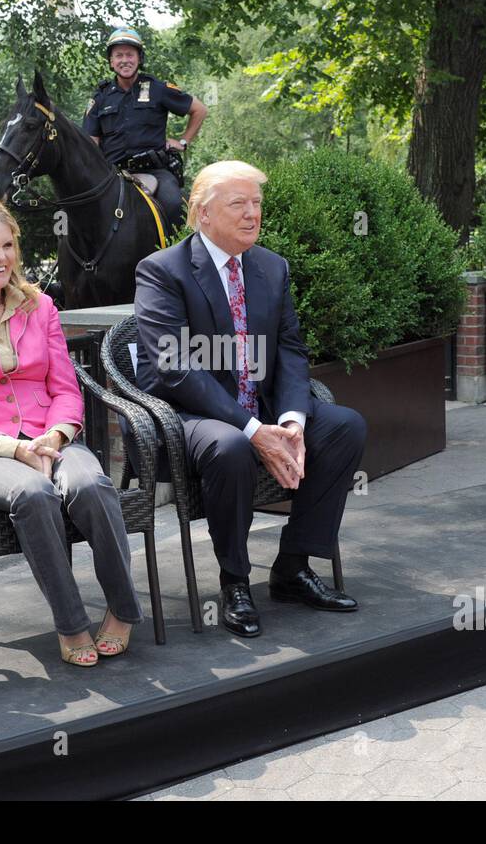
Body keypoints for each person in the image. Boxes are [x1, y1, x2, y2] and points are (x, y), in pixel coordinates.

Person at [133, 160, 367, 638]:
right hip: (186, 413)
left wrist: (293, 421)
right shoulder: (162, 271)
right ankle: (235, 580)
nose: (252, 214)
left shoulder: (271, 267)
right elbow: (176, 367)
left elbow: (289, 350)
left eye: (256, 203)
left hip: (257, 408)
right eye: (238, 203)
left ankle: (292, 567)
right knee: (233, 445)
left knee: (344, 426)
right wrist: (254, 429)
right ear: (202, 214)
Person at [0, 197, 142, 667]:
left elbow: (65, 387)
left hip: (49, 438)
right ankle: (72, 623)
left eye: (8, 245)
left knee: (90, 484)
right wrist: (11, 448)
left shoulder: (40, 306)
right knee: (34, 494)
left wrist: (56, 436)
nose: (1, 257)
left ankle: (122, 610)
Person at [83, 27, 208, 229]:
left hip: (156, 170)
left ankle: (175, 256)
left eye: (130, 55)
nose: (125, 60)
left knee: (175, 204)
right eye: (119, 55)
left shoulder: (157, 88)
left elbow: (200, 109)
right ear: (111, 61)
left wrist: (183, 141)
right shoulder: (100, 97)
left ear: (139, 58)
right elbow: (91, 142)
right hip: (113, 173)